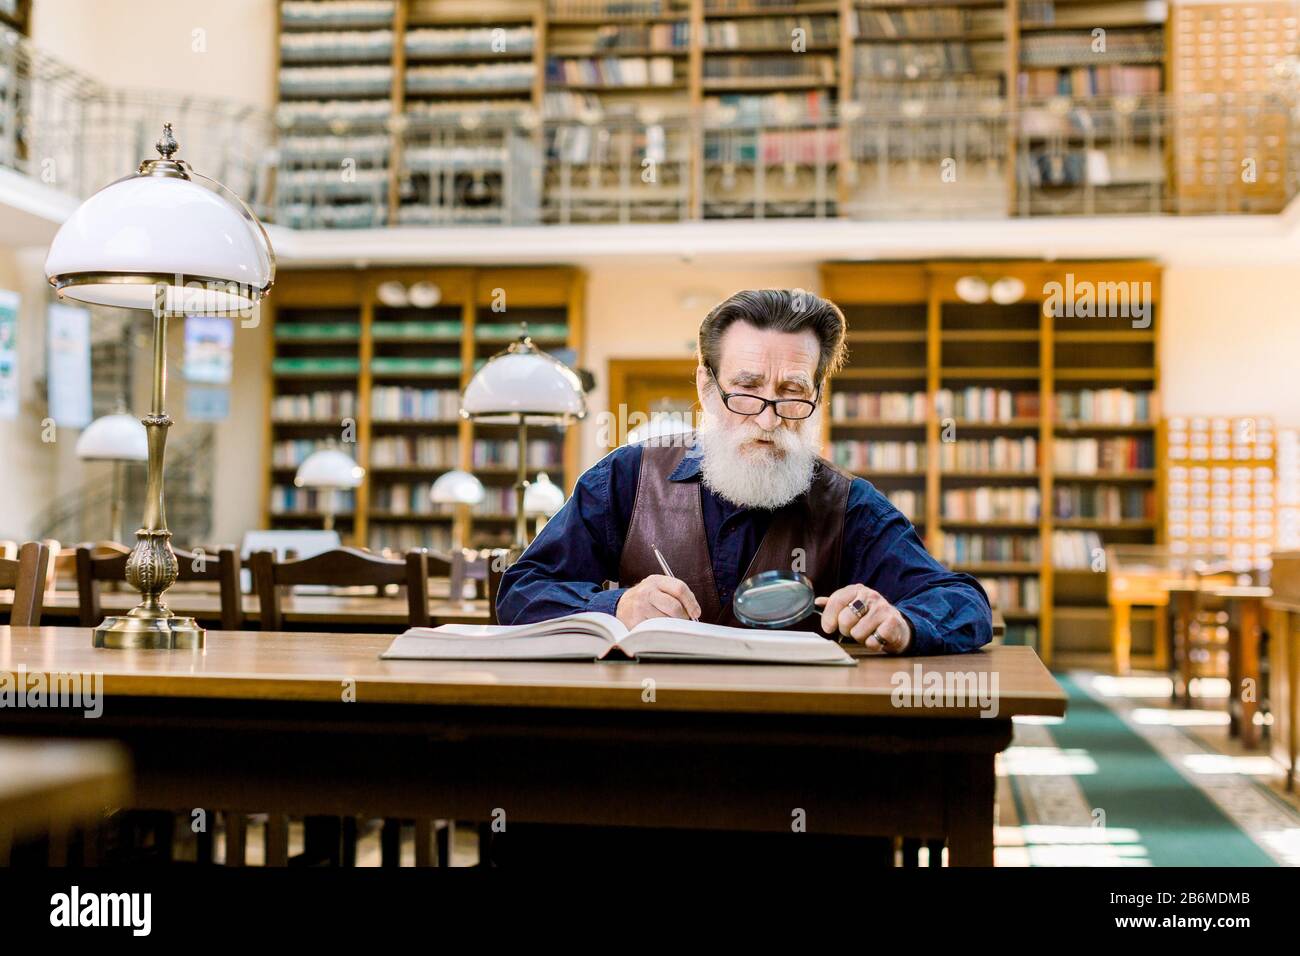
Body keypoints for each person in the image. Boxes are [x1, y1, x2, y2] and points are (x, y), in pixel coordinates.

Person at [497, 288, 992, 654]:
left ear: (817, 394)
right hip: (646, 740)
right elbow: (521, 592)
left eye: (793, 393)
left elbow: (962, 602)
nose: (768, 419)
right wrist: (618, 608)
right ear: (707, 387)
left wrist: (901, 621)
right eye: (747, 388)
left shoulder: (849, 506)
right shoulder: (626, 478)